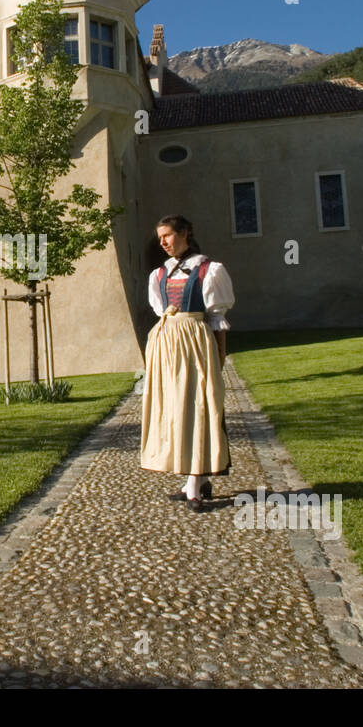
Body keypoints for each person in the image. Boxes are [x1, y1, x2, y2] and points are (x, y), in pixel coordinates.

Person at [139, 214, 235, 509]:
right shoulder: (159, 275)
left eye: (168, 235)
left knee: (197, 407)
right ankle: (198, 480)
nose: (163, 242)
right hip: (167, 347)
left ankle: (194, 483)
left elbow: (217, 319)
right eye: (160, 238)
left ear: (186, 234)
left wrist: (219, 358)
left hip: (195, 344)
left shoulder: (209, 270)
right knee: (175, 409)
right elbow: (160, 311)